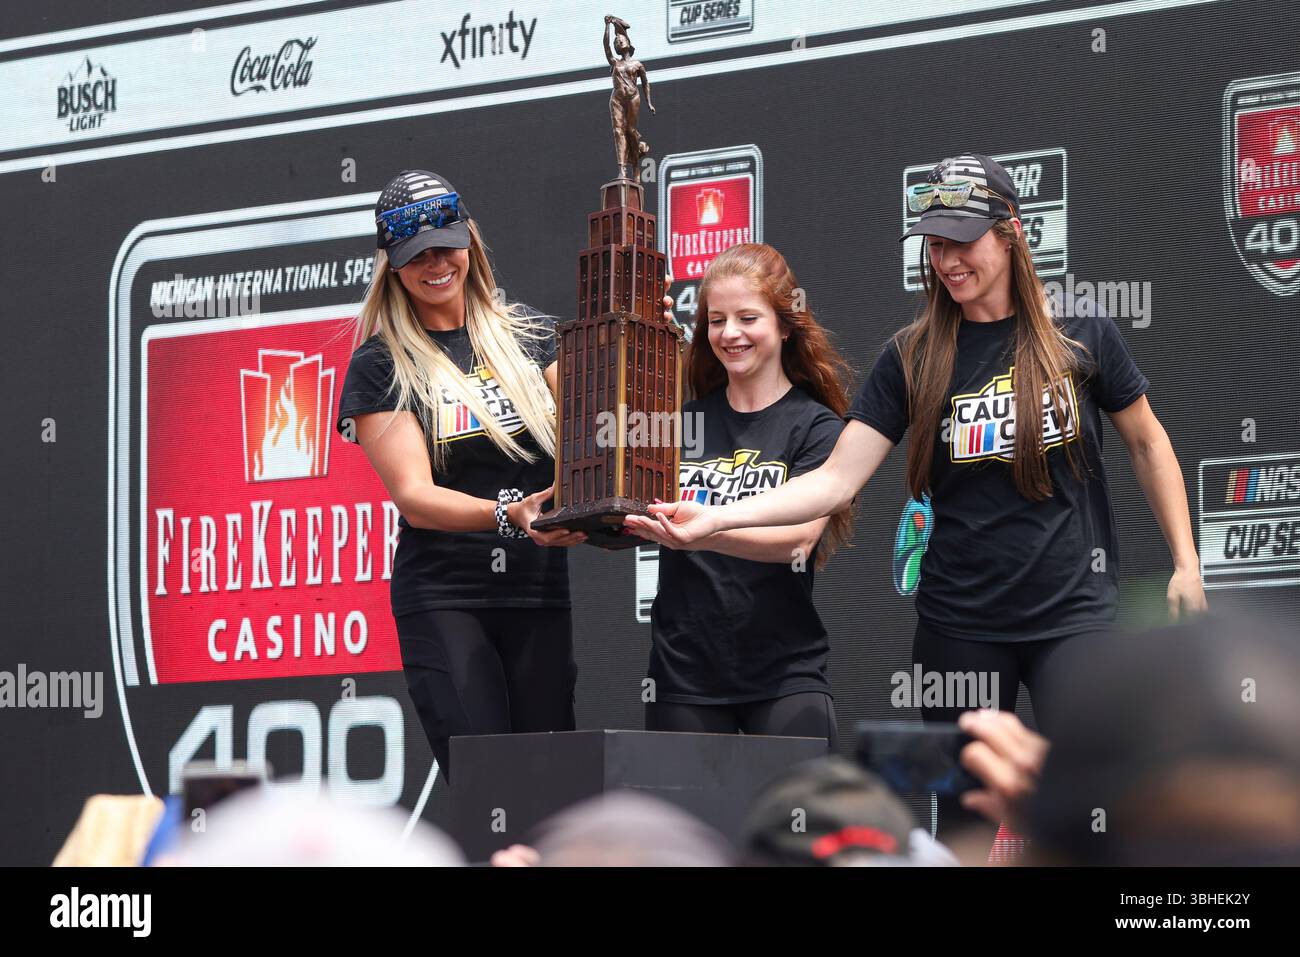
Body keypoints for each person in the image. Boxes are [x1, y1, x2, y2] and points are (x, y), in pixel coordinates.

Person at [637, 154, 1208, 836]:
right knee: (963, 818)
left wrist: (1187, 562)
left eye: (961, 240)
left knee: (1088, 810)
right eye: (935, 243)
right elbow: (834, 480)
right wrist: (713, 520)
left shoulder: (1082, 332)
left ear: (1011, 232)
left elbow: (1148, 443)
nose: (947, 260)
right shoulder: (912, 354)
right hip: (959, 625)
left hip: (1075, 614)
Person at [335, 169, 587, 784]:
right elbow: (415, 499)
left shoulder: (527, 334)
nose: (435, 262)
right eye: (415, 254)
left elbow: (600, 429)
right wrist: (508, 514)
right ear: (391, 264)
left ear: (469, 237)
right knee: (490, 790)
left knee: (551, 788)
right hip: (447, 597)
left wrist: (654, 336)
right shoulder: (379, 363)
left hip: (537, 590)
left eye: (446, 242)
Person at [625, 243, 853, 749]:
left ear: (786, 323)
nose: (729, 334)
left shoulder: (816, 426)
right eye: (716, 320)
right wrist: (636, 329)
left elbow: (797, 541)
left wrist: (706, 531)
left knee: (797, 829)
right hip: (683, 678)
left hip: (784, 674)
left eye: (748, 317)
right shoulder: (677, 425)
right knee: (693, 832)